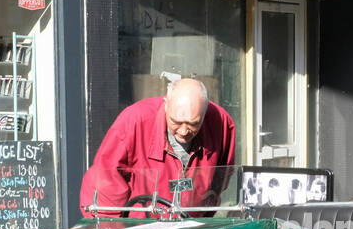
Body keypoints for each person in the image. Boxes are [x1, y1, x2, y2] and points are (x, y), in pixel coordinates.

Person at [80, 77, 236, 216]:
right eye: (176, 122)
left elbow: (222, 174)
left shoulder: (221, 123)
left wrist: (206, 211)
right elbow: (106, 177)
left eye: (193, 124)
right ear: (166, 104)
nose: (183, 131)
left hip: (191, 225)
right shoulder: (134, 122)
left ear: (205, 112)